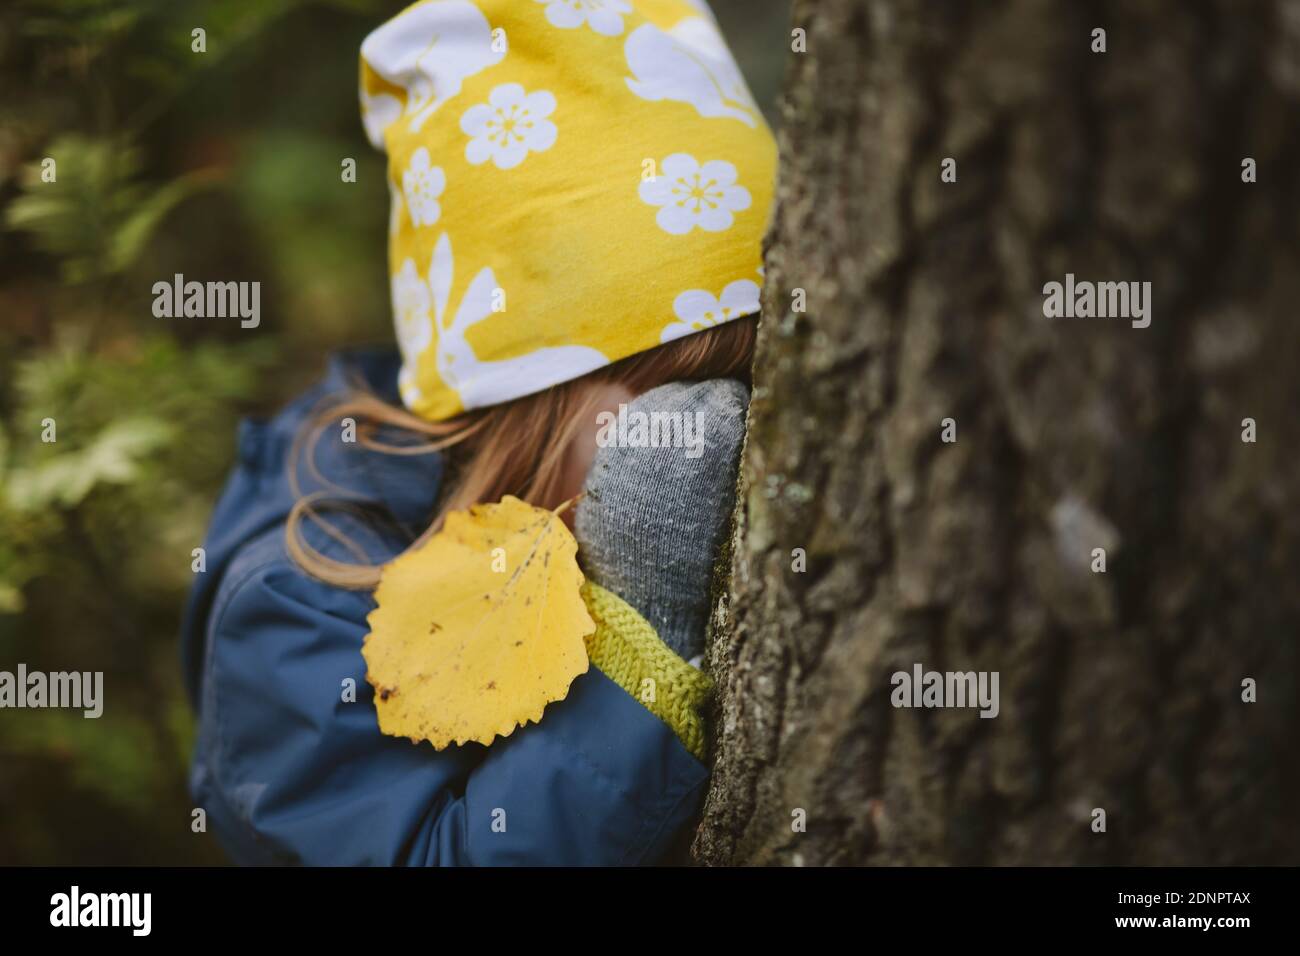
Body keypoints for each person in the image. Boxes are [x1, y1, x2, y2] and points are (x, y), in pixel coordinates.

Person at [180, 0, 776, 865]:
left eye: (751, 390)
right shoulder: (298, 602)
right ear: (526, 399)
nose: (719, 439)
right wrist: (635, 648)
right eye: (674, 399)